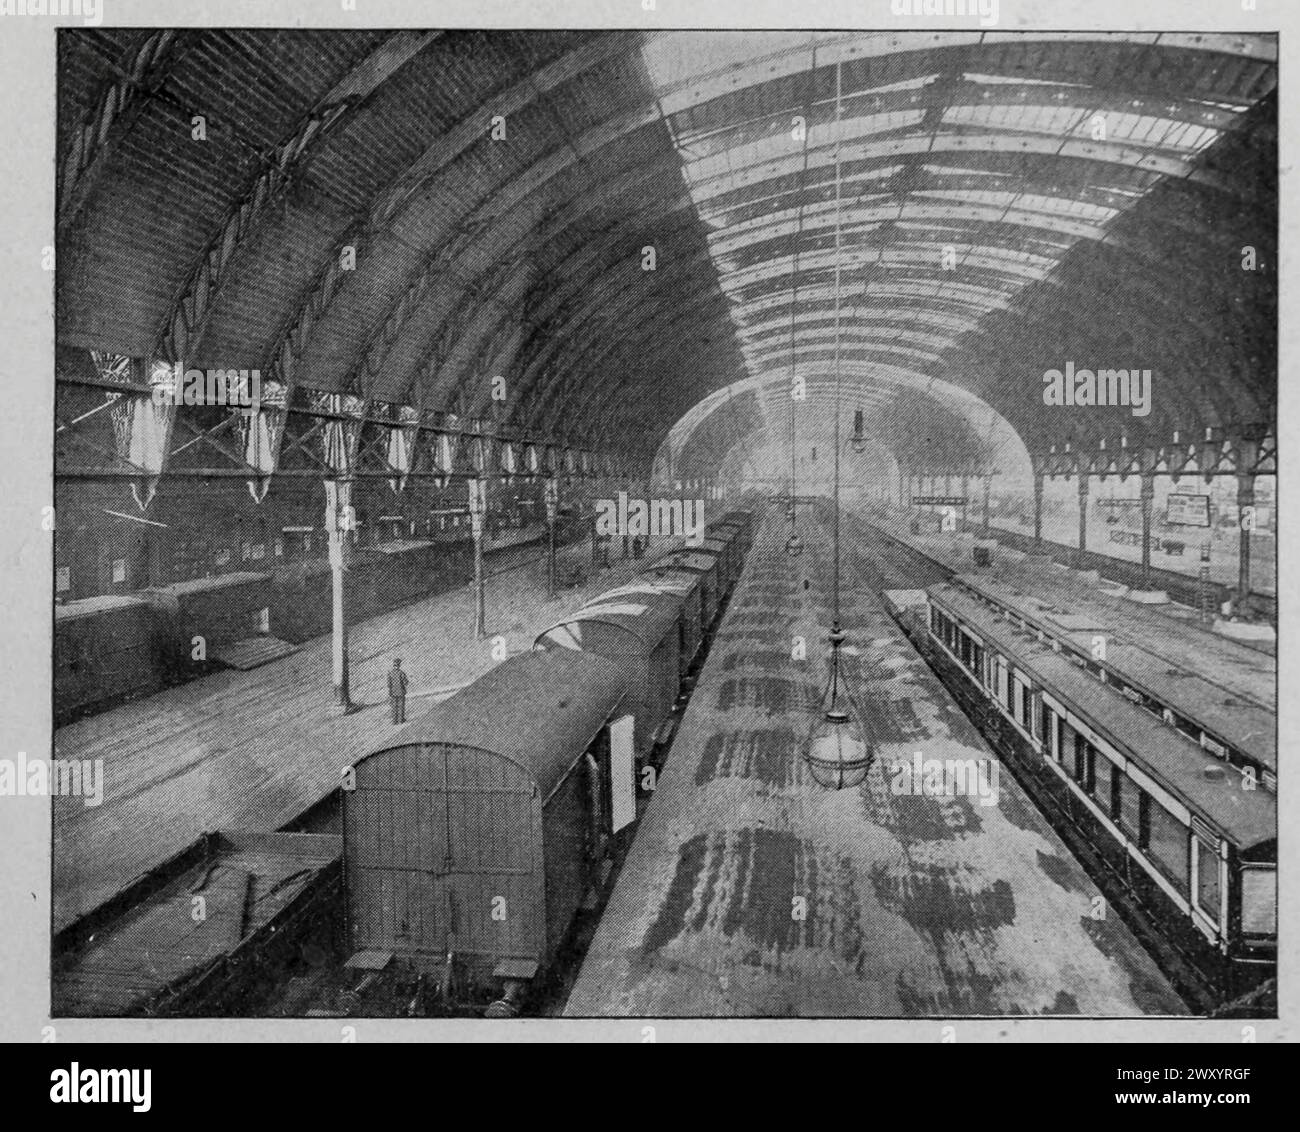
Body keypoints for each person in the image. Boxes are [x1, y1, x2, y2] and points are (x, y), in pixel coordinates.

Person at [388, 658, 409, 724]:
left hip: (393, 692)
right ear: (399, 665)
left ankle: (394, 721)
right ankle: (400, 720)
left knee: (394, 706)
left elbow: (389, 684)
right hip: (401, 692)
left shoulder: (390, 673)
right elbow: (405, 682)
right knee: (401, 706)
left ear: (393, 665)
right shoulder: (401, 673)